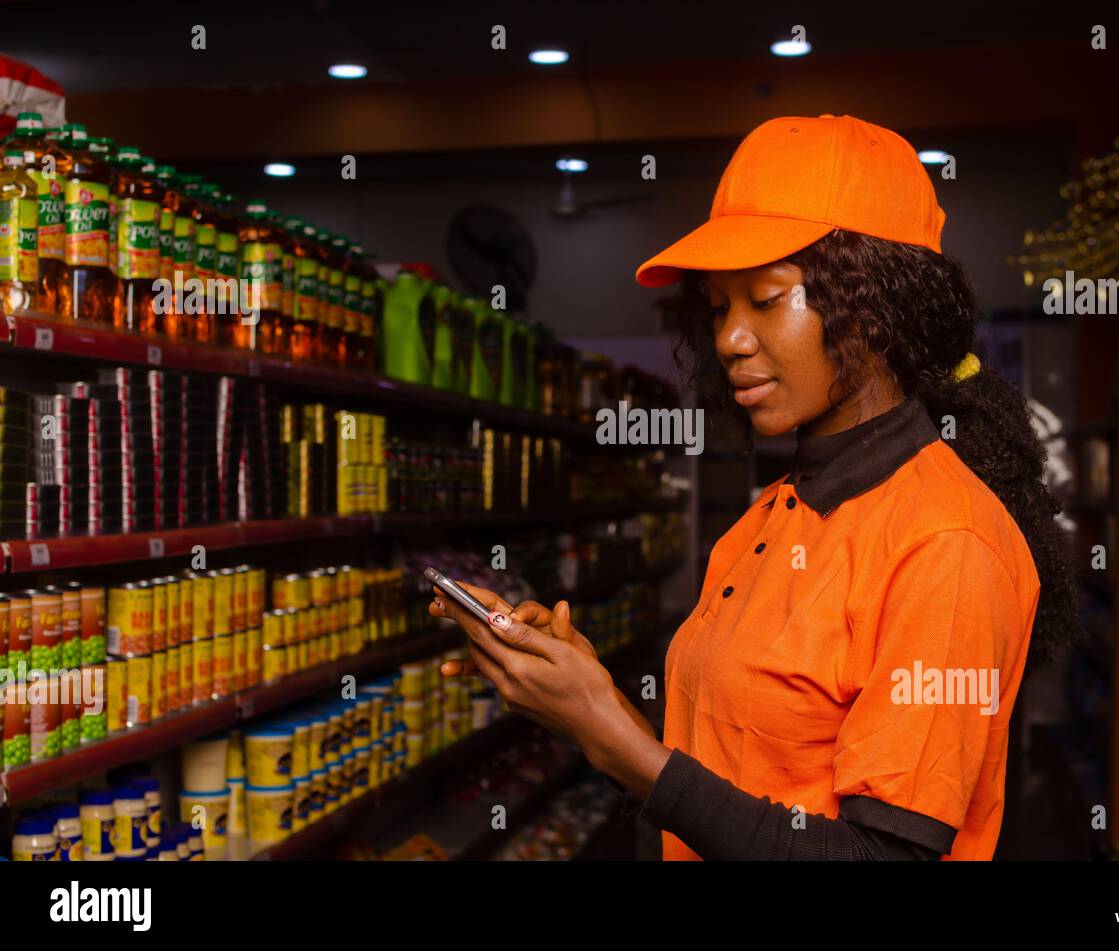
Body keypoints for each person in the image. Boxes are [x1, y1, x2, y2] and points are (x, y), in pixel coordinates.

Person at [429, 114, 1079, 860]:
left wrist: (617, 736)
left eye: (766, 300)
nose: (730, 338)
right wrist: (590, 705)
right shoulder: (766, 519)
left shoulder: (947, 543)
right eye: (717, 308)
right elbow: (718, 792)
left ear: (876, 305)